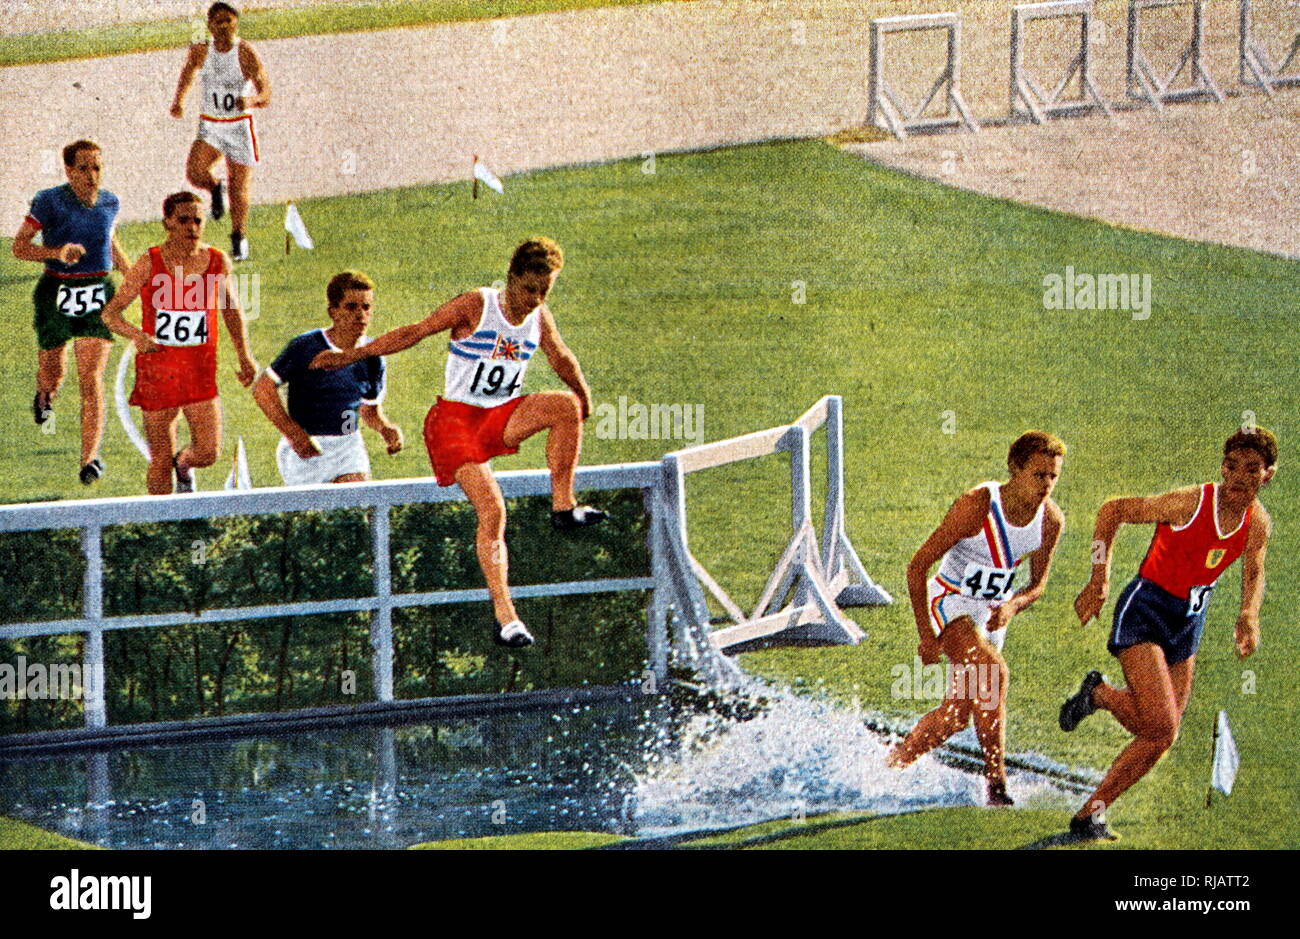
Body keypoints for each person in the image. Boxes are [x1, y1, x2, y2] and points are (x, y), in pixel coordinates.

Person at [310, 237, 604, 648]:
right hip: (455, 423)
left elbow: (560, 358)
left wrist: (584, 396)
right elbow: (416, 332)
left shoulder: (539, 317)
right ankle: (506, 619)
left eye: (544, 292)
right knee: (493, 509)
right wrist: (349, 356)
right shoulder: (477, 305)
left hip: (499, 416)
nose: (534, 300)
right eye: (528, 290)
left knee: (564, 405)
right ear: (511, 278)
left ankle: (562, 506)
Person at [1059, 427, 1276, 842]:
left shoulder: (1257, 523)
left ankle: (1091, 808)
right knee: (1161, 727)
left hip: (1187, 625)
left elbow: (1254, 570)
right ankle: (1099, 698)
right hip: (1145, 612)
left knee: (1161, 735)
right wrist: (1098, 580)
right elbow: (1111, 511)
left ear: (1267, 475)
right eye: (1232, 467)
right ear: (1222, 467)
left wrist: (1249, 614)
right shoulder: (1190, 503)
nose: (1239, 478)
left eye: (1252, 470)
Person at [887, 432, 1066, 806]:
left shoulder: (1050, 521)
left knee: (955, 717)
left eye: (1053, 476)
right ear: (1014, 469)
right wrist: (926, 636)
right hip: (951, 603)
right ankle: (996, 784)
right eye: (1038, 475)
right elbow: (917, 566)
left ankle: (891, 765)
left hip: (990, 618)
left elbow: (1038, 585)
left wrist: (1014, 605)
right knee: (994, 672)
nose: (1046, 485)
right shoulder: (976, 505)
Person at [99, 191, 258, 494]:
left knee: (209, 452)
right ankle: (163, 521)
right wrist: (137, 336)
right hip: (157, 374)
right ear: (167, 223)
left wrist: (244, 355)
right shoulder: (150, 262)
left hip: (198, 372)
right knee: (159, 459)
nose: (192, 227)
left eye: (198, 220)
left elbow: (231, 310)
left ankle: (184, 464)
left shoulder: (216, 261)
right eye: (183, 220)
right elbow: (110, 314)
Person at [12, 139, 131, 485]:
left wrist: (134, 279)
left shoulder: (110, 201)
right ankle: (43, 394)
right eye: (84, 168)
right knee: (54, 373)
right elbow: (20, 247)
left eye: (97, 167)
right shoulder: (48, 201)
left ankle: (90, 458)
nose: (92, 176)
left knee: (91, 378)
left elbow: (111, 242)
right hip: (56, 292)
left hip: (98, 293)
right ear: (68, 170)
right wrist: (57, 252)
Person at [252, 271, 403, 485]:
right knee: (315, 517)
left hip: (348, 446)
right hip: (307, 449)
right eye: (351, 307)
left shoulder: (372, 358)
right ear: (333, 311)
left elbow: (369, 410)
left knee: (356, 509)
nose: (360, 315)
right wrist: (294, 434)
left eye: (366, 307)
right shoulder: (305, 347)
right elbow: (263, 389)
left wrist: (385, 428)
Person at [169, 2, 270, 262]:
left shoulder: (245, 53)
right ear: (210, 25)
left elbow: (266, 91)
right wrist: (179, 100)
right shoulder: (201, 51)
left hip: (238, 126)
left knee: (240, 189)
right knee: (194, 172)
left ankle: (238, 237)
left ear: (236, 22)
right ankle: (215, 188)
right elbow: (187, 74)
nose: (223, 26)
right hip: (212, 124)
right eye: (218, 21)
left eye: (228, 20)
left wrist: (251, 101)